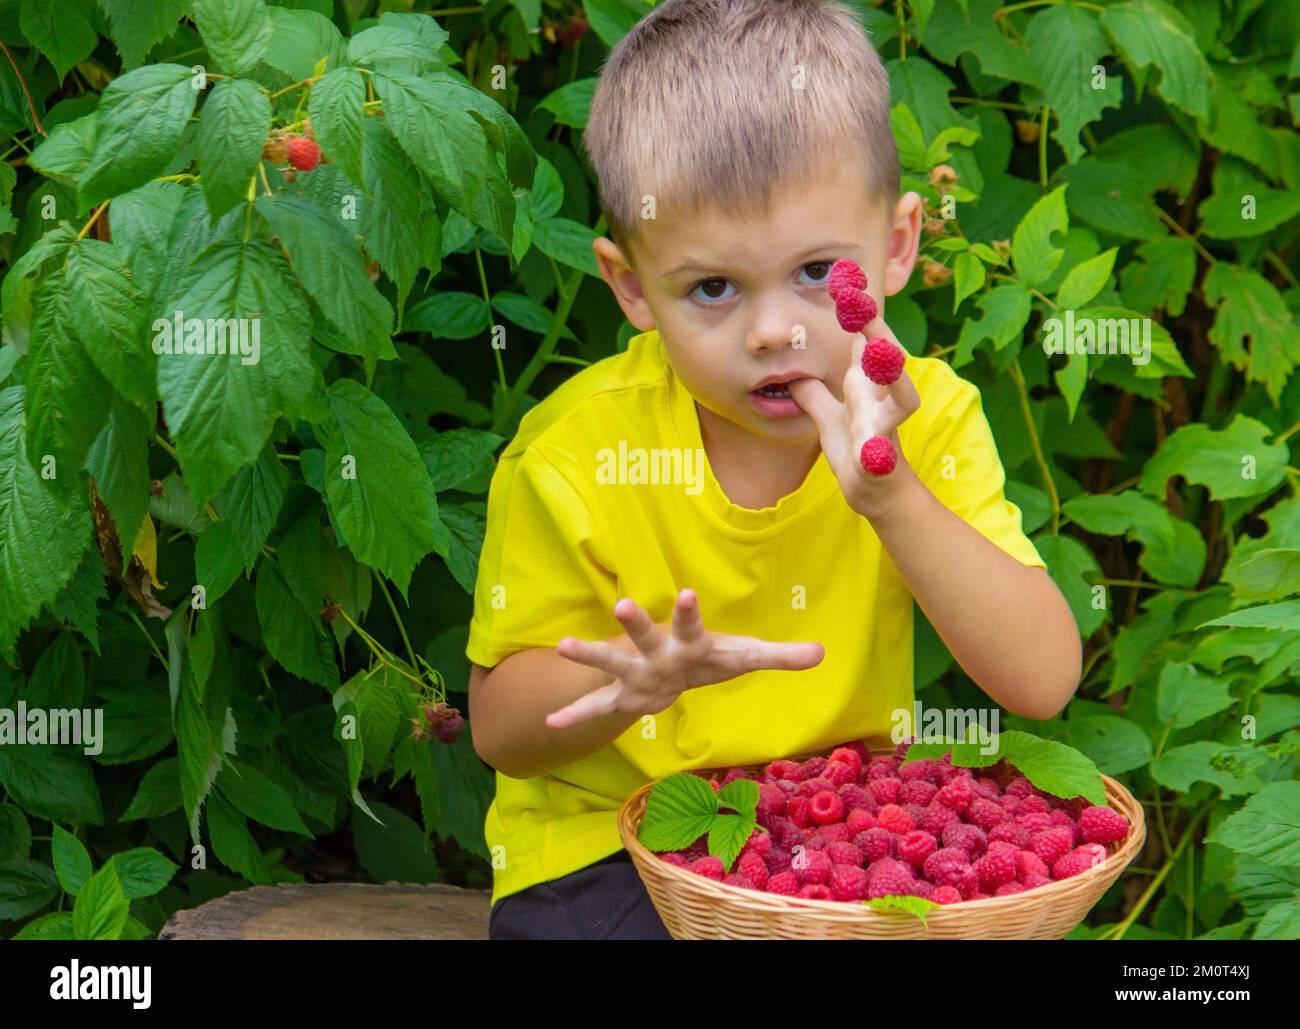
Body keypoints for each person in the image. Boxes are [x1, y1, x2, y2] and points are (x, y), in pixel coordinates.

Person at [467, 0, 1082, 940]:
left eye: (816, 274)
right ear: (631, 286)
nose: (773, 331)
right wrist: (637, 681)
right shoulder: (578, 452)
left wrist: (891, 496)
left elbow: (1042, 679)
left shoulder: (932, 419)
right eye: (712, 288)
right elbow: (498, 730)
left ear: (899, 246)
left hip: (848, 843)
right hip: (606, 849)